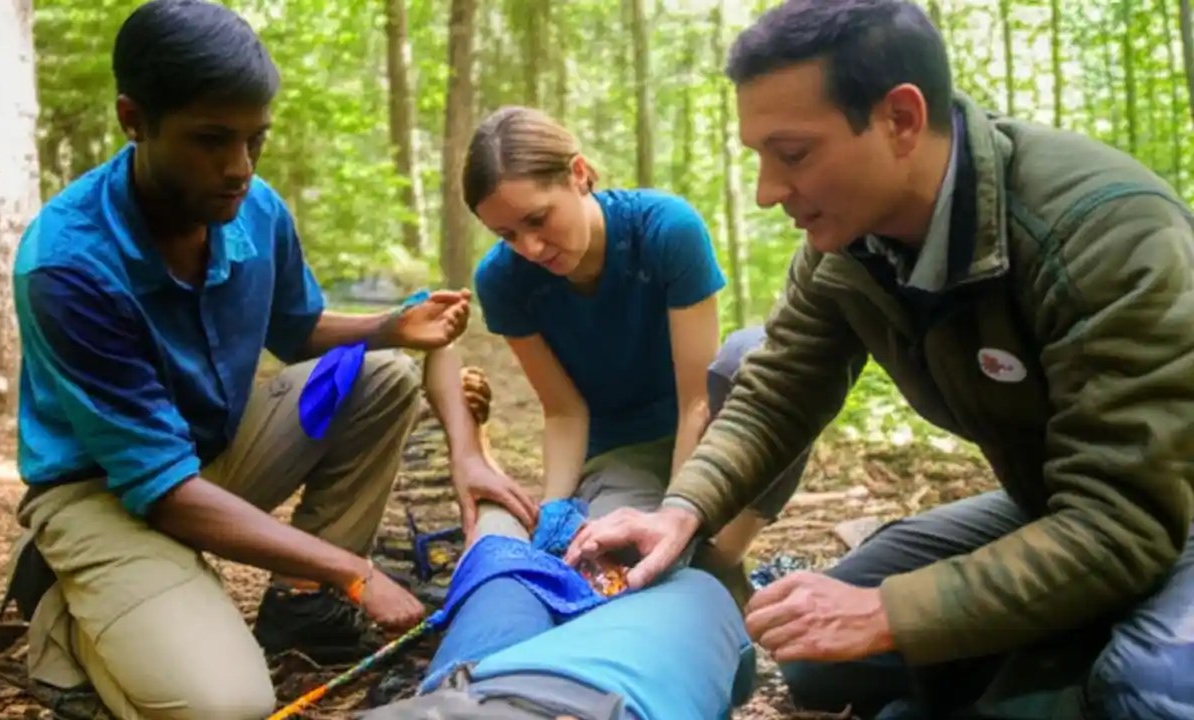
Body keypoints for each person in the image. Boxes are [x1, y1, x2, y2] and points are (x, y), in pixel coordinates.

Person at [567, 1, 1194, 719]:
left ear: (899, 118)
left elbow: (1127, 522)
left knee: (1150, 692)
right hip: (1055, 507)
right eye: (760, 159)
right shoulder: (851, 247)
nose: (770, 192)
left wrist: (886, 613)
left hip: (1161, 511)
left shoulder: (1104, 233)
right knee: (810, 657)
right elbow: (777, 393)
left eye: (794, 154)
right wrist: (680, 511)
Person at [0, 2, 537, 718]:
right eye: (211, 140)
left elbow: (296, 327)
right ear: (135, 119)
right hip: (109, 490)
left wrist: (391, 327)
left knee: (378, 376)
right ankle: (66, 622)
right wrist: (353, 572)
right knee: (227, 704)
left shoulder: (254, 209)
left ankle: (300, 609)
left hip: (208, 450)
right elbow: (158, 488)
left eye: (256, 139)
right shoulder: (68, 265)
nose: (239, 168)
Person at [466, 106, 806, 598]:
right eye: (507, 235)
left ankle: (721, 557)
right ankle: (703, 581)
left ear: (578, 175)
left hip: (707, 438)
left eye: (538, 219)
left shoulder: (665, 229)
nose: (532, 248)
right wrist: (555, 511)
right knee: (605, 566)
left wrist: (676, 518)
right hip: (619, 452)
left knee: (757, 354)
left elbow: (697, 401)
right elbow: (564, 411)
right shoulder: (502, 279)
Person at [358, 503, 757, 720]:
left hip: (477, 678)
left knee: (502, 563)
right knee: (692, 588)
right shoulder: (697, 594)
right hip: (582, 688)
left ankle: (502, 507)